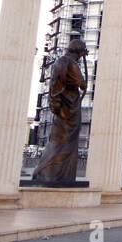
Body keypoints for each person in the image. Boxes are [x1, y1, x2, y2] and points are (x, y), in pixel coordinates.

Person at [31, 37, 88, 184]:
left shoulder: (59, 62)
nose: (82, 55)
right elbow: (82, 84)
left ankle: (46, 171)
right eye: (82, 52)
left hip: (60, 105)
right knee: (66, 141)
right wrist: (83, 80)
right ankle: (54, 173)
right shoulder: (71, 64)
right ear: (79, 51)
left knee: (57, 139)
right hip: (70, 106)